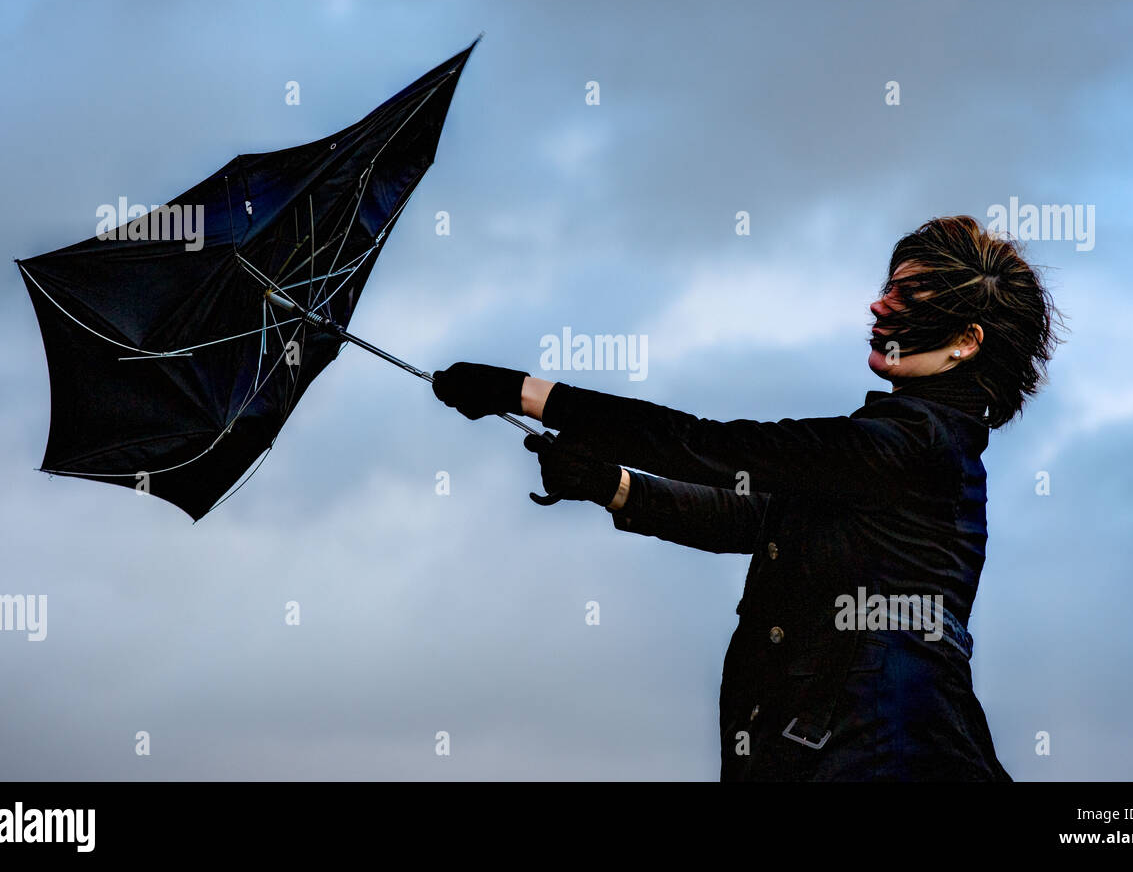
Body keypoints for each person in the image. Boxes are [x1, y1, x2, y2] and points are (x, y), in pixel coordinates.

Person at [431, 215, 1063, 781]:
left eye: (907, 292)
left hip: (878, 745)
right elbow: (753, 514)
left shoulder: (917, 442)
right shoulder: (903, 447)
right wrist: (610, 485)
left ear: (969, 339)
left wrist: (527, 392)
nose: (878, 304)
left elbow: (714, 448)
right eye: (887, 285)